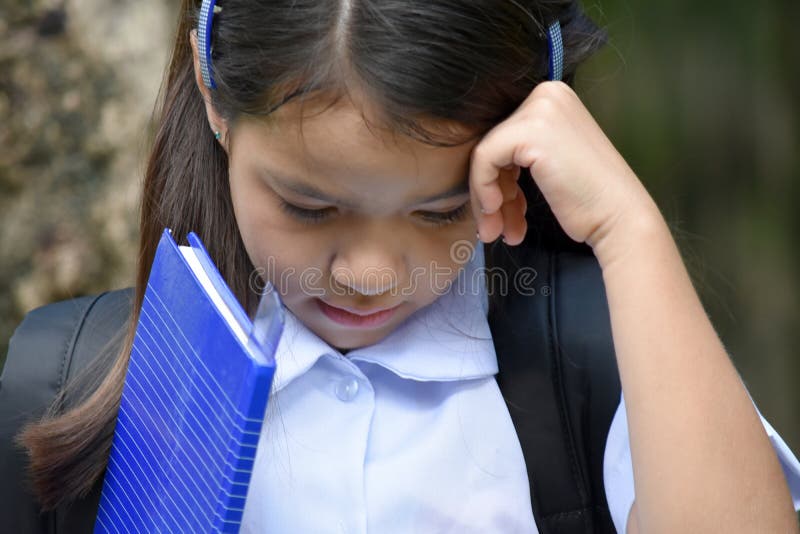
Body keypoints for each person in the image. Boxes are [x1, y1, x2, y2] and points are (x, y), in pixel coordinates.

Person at [1, 0, 799, 532]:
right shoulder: (66, 384)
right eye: (310, 208)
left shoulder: (611, 359)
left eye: (439, 210)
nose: (373, 272)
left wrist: (630, 230)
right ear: (214, 95)